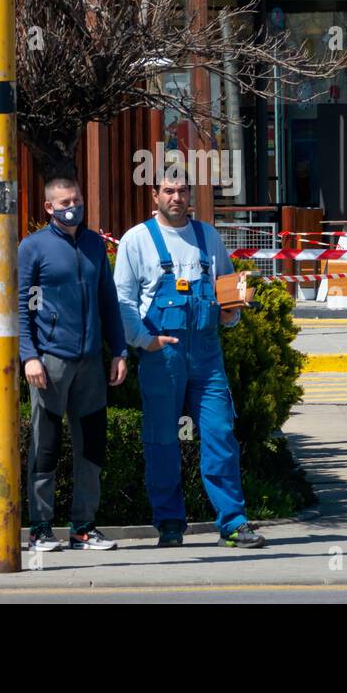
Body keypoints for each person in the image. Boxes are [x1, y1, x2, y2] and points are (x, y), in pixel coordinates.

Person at [113, 179, 266, 548]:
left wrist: (233, 311)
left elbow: (226, 291)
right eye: (168, 191)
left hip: (207, 354)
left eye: (182, 191)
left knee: (220, 434)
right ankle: (168, 524)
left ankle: (233, 522)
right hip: (161, 355)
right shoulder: (137, 240)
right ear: (154, 196)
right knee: (163, 440)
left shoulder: (208, 236)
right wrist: (143, 340)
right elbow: (123, 300)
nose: (176, 198)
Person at [18, 177, 128, 552]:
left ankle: (84, 527)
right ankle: (40, 528)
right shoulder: (33, 247)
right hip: (50, 361)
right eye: (65, 201)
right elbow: (22, 306)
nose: (73, 207)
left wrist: (119, 351)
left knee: (92, 447)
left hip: (91, 362)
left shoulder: (95, 243)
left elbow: (108, 300)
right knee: (45, 447)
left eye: (77, 200)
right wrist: (29, 355)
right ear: (49, 207)